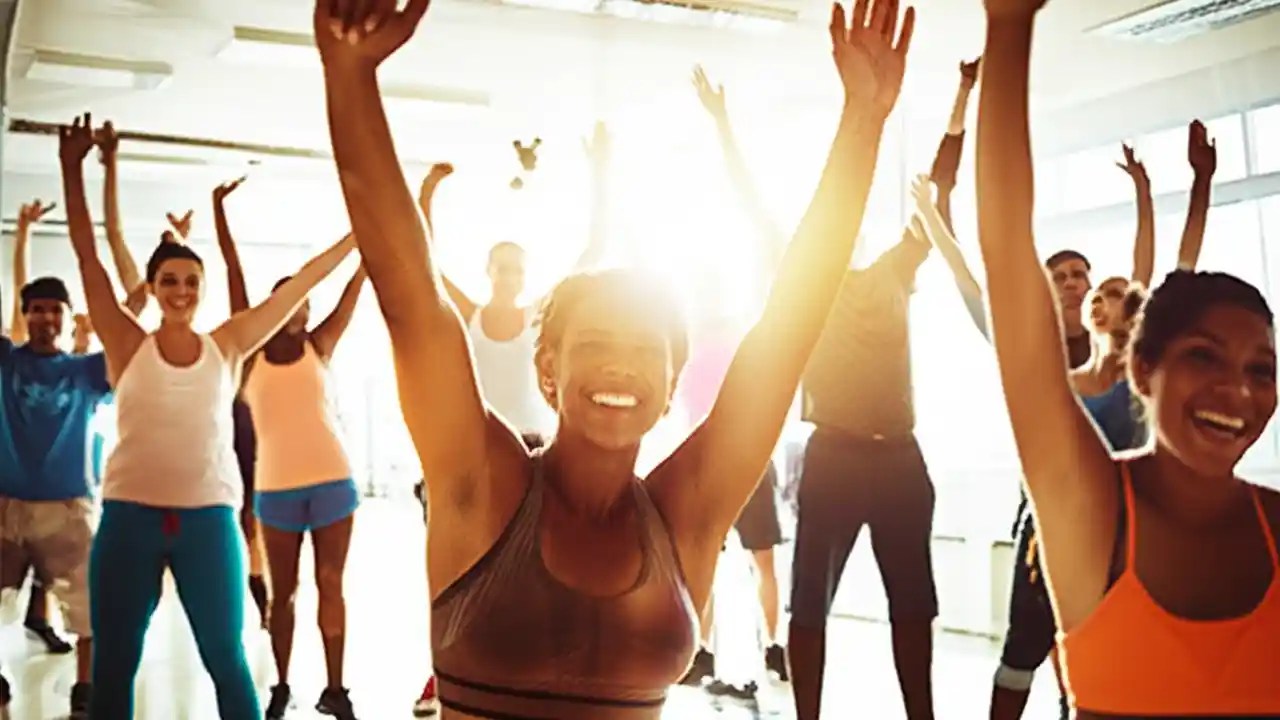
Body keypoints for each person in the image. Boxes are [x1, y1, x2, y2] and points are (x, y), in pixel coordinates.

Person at [315, 1, 914, 718]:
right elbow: (410, 295)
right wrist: (349, 75)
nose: (619, 367)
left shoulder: (686, 514)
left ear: (671, 388)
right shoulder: (485, 483)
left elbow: (789, 329)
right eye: (595, 344)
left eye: (643, 350)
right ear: (548, 369)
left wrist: (863, 123)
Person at [974, 3, 1280, 718]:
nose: (1237, 388)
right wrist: (1009, 23)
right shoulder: (1092, 512)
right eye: (1205, 356)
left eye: (1262, 368)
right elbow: (1005, 248)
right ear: (1145, 371)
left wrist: (1192, 185)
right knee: (1021, 650)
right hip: (1061, 531)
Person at [57, 111, 358, 719]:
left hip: (208, 522)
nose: (182, 291)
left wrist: (360, 234)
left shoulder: (227, 344)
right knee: (116, 660)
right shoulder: (125, 341)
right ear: (154, 284)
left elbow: (297, 286)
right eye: (170, 280)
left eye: (192, 281)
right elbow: (88, 257)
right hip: (129, 518)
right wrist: (72, 170)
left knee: (226, 657)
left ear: (202, 286)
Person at [676, 64, 791, 690]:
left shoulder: (749, 322)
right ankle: (703, 655)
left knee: (760, 561)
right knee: (705, 563)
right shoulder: (686, 336)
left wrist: (723, 127)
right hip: (705, 458)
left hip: (753, 459)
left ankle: (774, 648)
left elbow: (762, 237)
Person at [415, 141, 608, 449]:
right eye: (503, 269)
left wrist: (601, 170)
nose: (509, 277)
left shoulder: (537, 317)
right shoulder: (471, 317)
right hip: (482, 443)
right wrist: (428, 192)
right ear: (488, 271)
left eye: (517, 270)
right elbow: (424, 262)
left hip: (532, 445)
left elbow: (593, 250)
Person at [244, 263, 367, 719]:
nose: (303, 306)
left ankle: (336, 690)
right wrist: (219, 214)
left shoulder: (319, 345)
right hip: (276, 490)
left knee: (331, 584)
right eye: (293, 298)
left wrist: (368, 250)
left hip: (333, 480)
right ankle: (280, 686)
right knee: (283, 593)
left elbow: (352, 296)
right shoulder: (250, 351)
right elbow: (237, 279)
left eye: (307, 300)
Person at [0, 263, 107, 717]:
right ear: (25, 316)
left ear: (68, 316)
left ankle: (85, 690)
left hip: (69, 509)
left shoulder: (87, 371)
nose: (46, 318)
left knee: (89, 611)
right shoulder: (6, 361)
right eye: (37, 309)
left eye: (55, 310)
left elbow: (130, 324)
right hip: (7, 509)